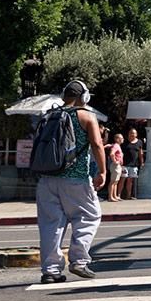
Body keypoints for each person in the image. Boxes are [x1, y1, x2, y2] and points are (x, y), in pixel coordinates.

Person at [36, 80, 106, 283]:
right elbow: (97, 144)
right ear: (84, 97)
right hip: (76, 179)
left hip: (47, 178)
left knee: (51, 224)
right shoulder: (86, 115)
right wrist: (102, 171)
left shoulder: (50, 115)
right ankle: (79, 261)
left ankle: (50, 271)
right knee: (89, 216)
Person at [120, 127, 143, 199]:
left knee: (130, 181)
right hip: (124, 164)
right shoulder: (124, 142)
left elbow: (140, 152)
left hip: (134, 165)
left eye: (133, 133)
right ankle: (118, 195)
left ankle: (128, 196)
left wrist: (142, 162)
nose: (132, 134)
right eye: (130, 133)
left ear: (136, 134)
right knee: (122, 180)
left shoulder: (139, 142)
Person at [106, 133, 124, 202]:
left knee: (116, 181)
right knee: (113, 181)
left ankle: (114, 195)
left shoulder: (117, 146)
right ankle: (110, 197)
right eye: (121, 138)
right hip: (115, 165)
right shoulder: (116, 146)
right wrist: (115, 161)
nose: (122, 139)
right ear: (117, 139)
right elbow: (112, 153)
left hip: (118, 165)